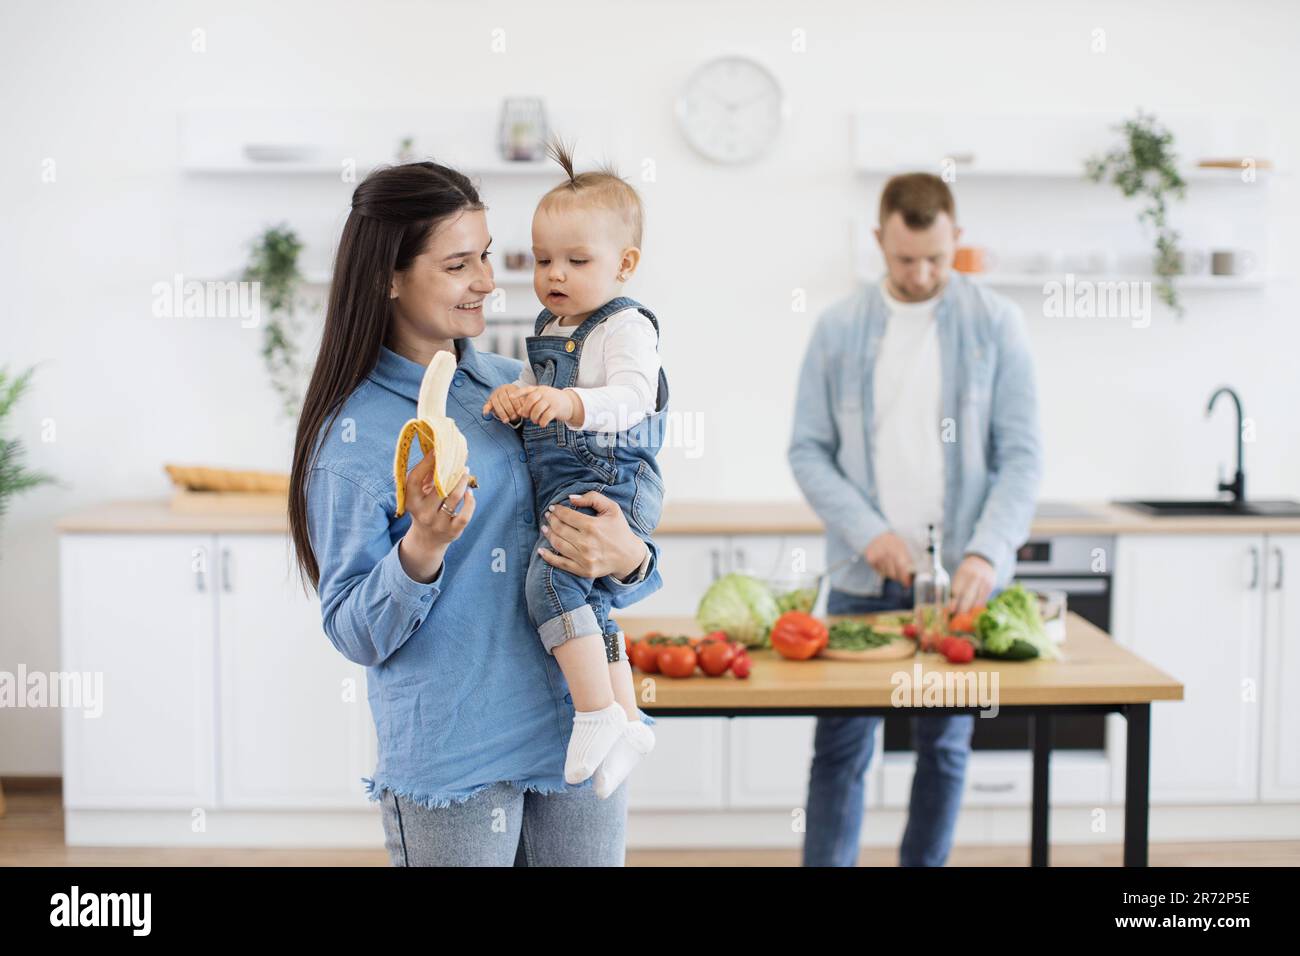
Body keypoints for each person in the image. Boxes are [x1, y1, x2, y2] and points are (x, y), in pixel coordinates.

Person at [287, 161, 659, 866]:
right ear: (388, 278)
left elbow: (598, 549)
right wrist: (422, 547)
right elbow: (353, 631)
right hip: (456, 758)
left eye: (486, 255)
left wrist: (629, 557)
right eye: (460, 264)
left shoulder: (515, 386)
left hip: (579, 734)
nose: (489, 280)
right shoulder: (354, 439)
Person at [788, 172, 1042, 866]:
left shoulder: (996, 324)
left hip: (957, 586)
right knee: (840, 750)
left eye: (938, 256)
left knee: (945, 749)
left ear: (956, 237)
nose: (924, 272)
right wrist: (870, 533)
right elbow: (807, 450)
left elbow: (1021, 458)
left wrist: (986, 552)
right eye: (906, 259)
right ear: (880, 241)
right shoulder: (838, 329)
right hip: (860, 583)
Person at [483, 140, 667, 795]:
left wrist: (567, 402)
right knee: (592, 607)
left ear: (625, 264)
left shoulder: (626, 327)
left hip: (615, 478)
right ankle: (625, 717)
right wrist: (518, 396)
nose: (554, 274)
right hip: (571, 478)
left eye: (575, 260)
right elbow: (538, 390)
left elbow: (634, 399)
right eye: (542, 260)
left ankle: (594, 712)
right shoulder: (550, 322)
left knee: (551, 589)